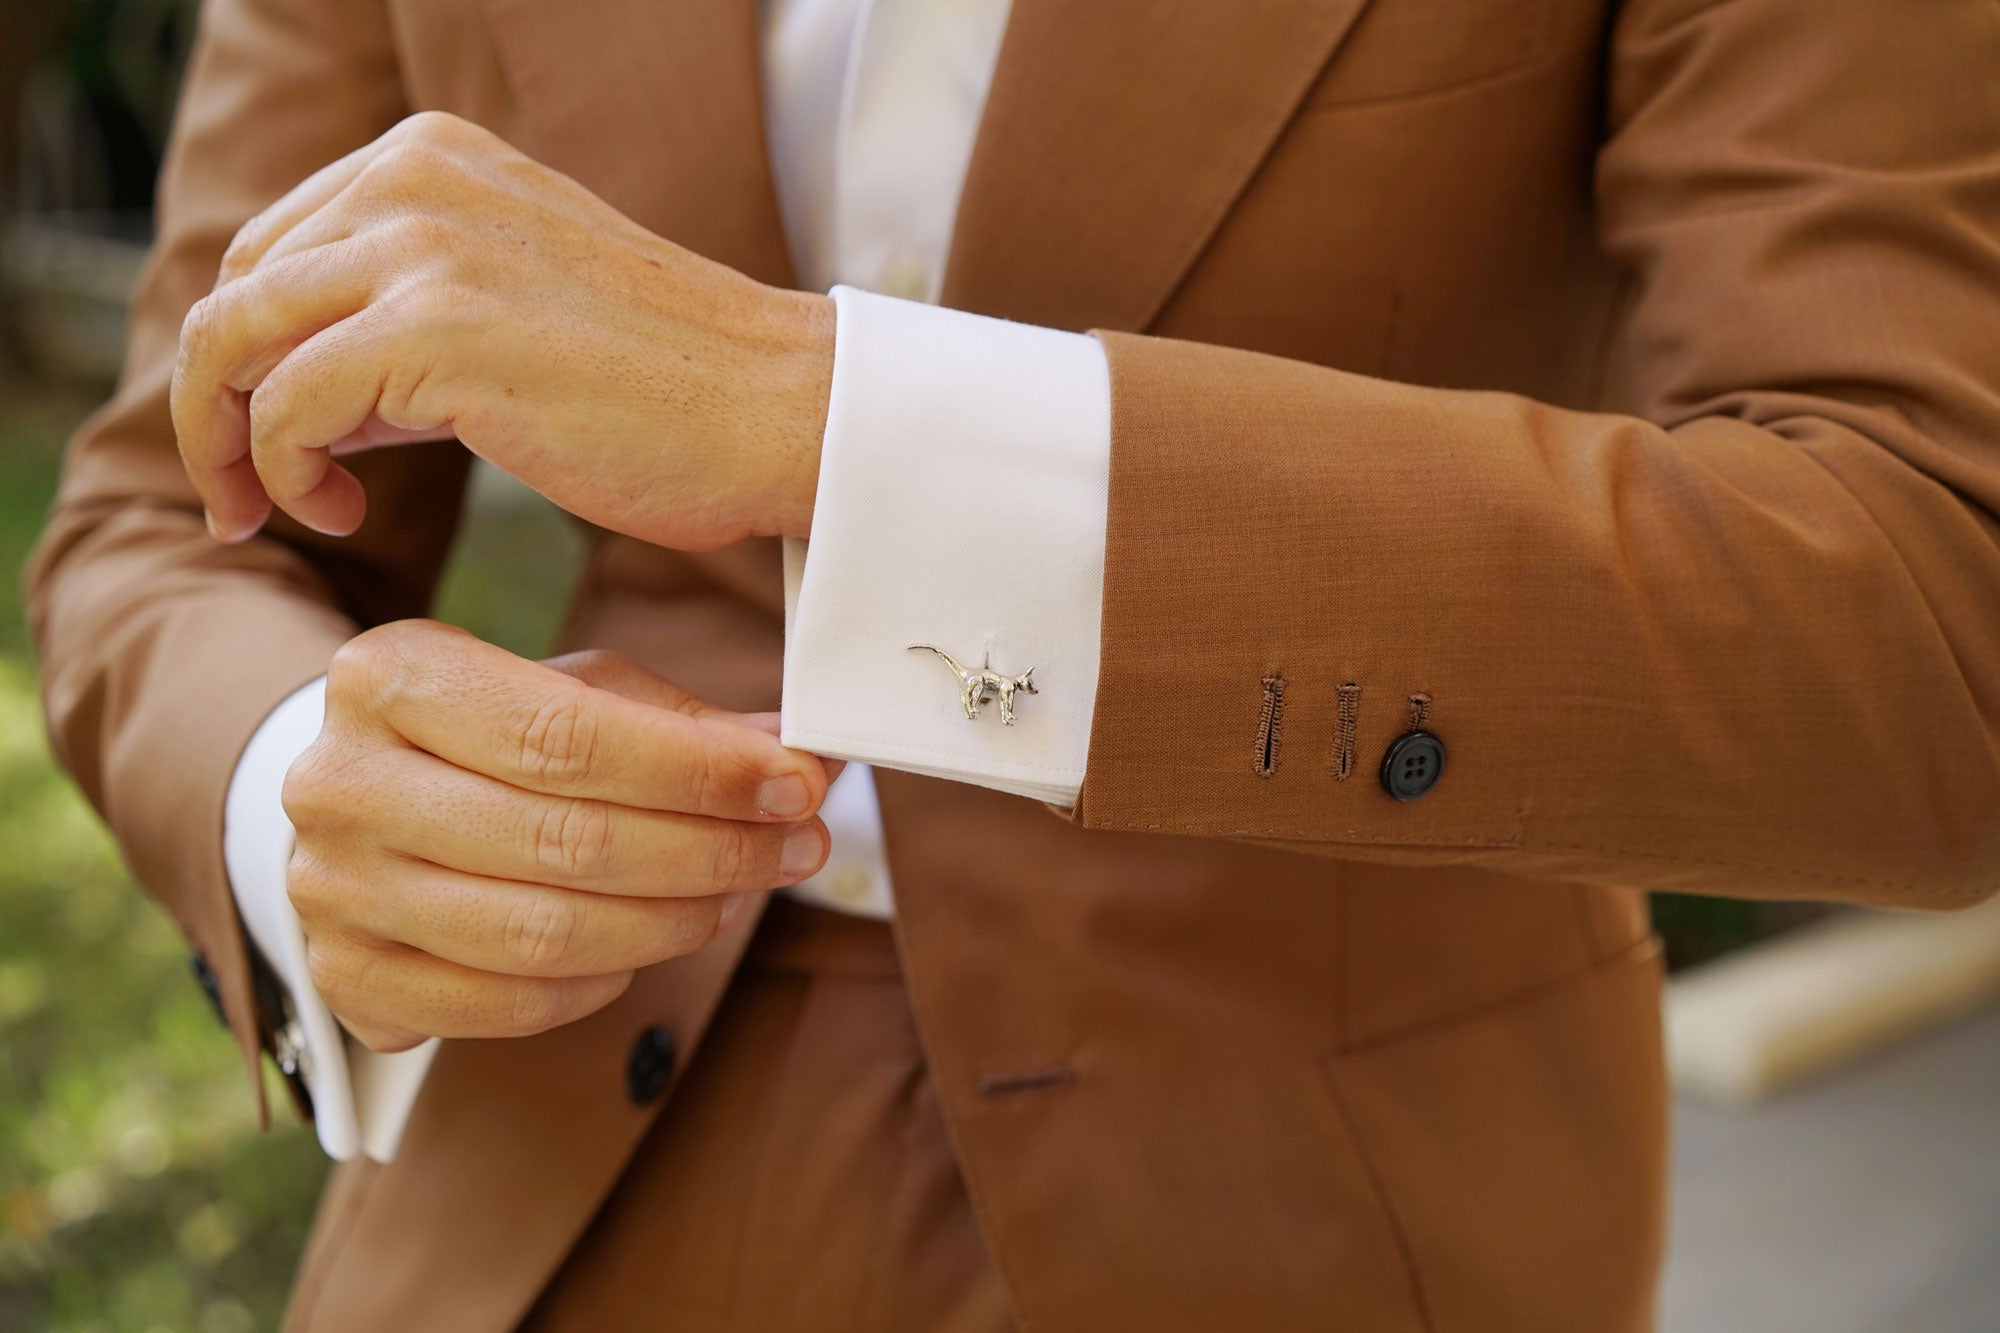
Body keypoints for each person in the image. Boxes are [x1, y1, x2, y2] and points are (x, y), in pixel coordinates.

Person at [27, 0, 2000, 1328]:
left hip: (1323, 1207)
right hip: (537, 1186)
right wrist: (306, 798)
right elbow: (160, 520)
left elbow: (1928, 614)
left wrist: (826, 419)